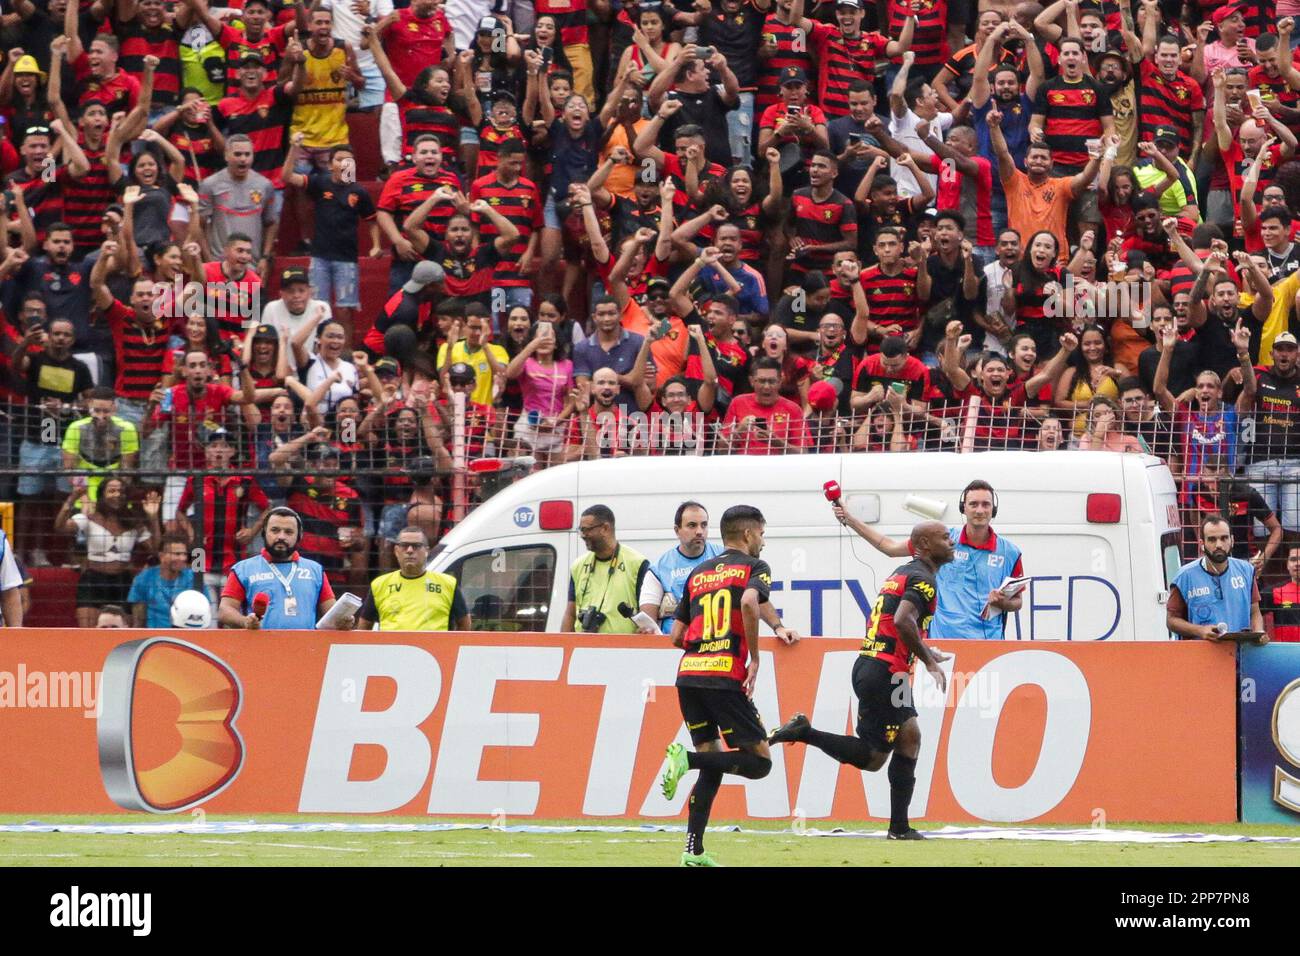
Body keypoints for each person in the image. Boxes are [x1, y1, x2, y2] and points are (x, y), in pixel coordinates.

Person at [767, 520, 954, 840]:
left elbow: (897, 623)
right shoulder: (923, 579)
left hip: (872, 667)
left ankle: (804, 732)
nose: (951, 542)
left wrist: (923, 648)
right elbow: (902, 619)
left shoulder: (904, 572)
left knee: (898, 743)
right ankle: (899, 828)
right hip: (886, 672)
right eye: (944, 537)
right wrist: (927, 660)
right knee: (878, 755)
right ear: (923, 544)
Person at [658, 504, 797, 867]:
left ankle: (693, 850)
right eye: (762, 534)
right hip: (723, 677)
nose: (763, 542)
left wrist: (774, 625)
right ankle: (685, 759)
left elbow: (675, 635)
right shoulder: (755, 567)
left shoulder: (699, 572)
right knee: (759, 763)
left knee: (714, 761)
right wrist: (754, 656)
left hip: (689, 675)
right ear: (749, 534)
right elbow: (751, 600)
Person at [833, 478, 1025, 639]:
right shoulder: (942, 539)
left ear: (993, 509)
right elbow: (889, 547)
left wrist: (1001, 602)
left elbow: (1018, 602)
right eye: (973, 504)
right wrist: (850, 520)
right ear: (963, 508)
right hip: (943, 643)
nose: (980, 510)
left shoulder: (1010, 552)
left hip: (988, 645)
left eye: (986, 504)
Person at [218, 506, 337, 630]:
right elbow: (224, 610)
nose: (281, 536)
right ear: (264, 533)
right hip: (259, 647)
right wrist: (245, 622)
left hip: (306, 647)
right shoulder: (242, 569)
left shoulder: (315, 570)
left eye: (288, 532)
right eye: (275, 530)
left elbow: (333, 614)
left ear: (299, 536)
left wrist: (342, 622)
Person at [354, 526, 471, 631]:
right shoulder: (379, 585)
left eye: (416, 546)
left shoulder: (448, 584)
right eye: (404, 546)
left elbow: (464, 624)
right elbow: (364, 627)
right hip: (391, 653)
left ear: (426, 551)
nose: (409, 550)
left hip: (433, 654)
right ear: (396, 551)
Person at [1167, 515, 1264, 638]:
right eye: (1212, 539)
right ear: (1202, 543)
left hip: (1239, 652)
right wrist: (1200, 631)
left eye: (1224, 538)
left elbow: (1254, 612)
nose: (1219, 545)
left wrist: (1259, 632)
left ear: (1232, 540)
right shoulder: (1184, 576)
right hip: (1200, 653)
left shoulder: (1246, 570)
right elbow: (1171, 620)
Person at [559, 504, 649, 634]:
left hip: (622, 649)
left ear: (605, 528)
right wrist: (564, 645)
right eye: (581, 530)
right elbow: (570, 613)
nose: (583, 535)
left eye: (586, 530)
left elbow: (647, 615)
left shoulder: (637, 563)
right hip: (583, 648)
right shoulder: (578, 566)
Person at [639, 501, 724, 634]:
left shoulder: (724, 557)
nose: (699, 532)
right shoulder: (659, 569)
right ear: (677, 530)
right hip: (674, 646)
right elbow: (648, 622)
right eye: (692, 525)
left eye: (704, 525)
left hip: (717, 644)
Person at [127, 532, 197, 627]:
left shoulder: (193, 578)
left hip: (186, 635)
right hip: (153, 636)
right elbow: (138, 621)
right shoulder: (144, 579)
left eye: (184, 554)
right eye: (177, 554)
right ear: (161, 556)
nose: (182, 558)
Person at [1265, 545, 1300, 642]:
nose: (1298, 563)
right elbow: (1253, 612)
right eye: (1293, 559)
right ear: (1287, 565)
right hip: (1285, 653)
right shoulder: (1275, 591)